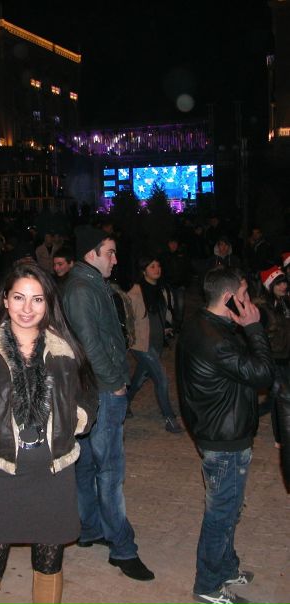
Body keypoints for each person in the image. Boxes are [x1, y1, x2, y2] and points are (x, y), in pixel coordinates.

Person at [0, 261, 98, 604]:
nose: (27, 308)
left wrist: (79, 418)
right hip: (2, 473)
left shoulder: (63, 349)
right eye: (19, 297)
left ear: (48, 303)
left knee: (49, 563)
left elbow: (89, 391)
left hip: (54, 473)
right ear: (5, 300)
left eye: (37, 299)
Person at [176, 267, 274, 604]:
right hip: (224, 439)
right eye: (244, 295)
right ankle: (208, 584)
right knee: (221, 514)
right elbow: (262, 374)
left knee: (230, 510)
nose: (249, 301)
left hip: (220, 431)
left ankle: (226, 567)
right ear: (229, 297)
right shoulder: (215, 339)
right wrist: (254, 328)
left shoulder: (205, 323)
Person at [62, 227, 154, 582]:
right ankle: (122, 547)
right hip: (100, 390)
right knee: (110, 470)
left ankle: (90, 528)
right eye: (110, 252)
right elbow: (90, 343)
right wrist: (115, 383)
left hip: (91, 387)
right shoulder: (82, 288)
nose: (115, 259)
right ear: (91, 254)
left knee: (86, 463)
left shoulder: (88, 283)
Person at [125, 255, 183, 432]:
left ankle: (124, 403)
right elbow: (128, 321)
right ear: (144, 271)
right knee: (161, 377)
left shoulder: (161, 290)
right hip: (142, 345)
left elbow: (161, 314)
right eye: (152, 266)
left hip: (157, 342)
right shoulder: (135, 293)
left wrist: (166, 326)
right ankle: (169, 418)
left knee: (141, 377)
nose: (157, 269)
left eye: (158, 266)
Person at [253, 265, 290, 447]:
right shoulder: (263, 308)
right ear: (270, 286)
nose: (284, 286)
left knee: (282, 397)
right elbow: (256, 335)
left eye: (284, 282)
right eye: (279, 283)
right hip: (273, 359)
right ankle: (279, 437)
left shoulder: (285, 303)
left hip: (286, 357)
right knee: (278, 399)